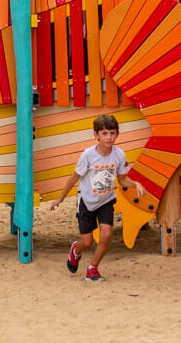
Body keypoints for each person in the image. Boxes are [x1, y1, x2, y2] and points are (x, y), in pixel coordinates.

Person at [54, 114, 130, 282]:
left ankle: (92, 269)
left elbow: (123, 179)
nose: (109, 137)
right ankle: (75, 251)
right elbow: (74, 178)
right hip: (87, 201)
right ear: (96, 135)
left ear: (117, 134)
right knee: (87, 242)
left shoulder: (119, 154)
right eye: (104, 133)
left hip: (106, 200)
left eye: (112, 133)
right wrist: (60, 198)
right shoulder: (88, 155)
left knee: (106, 235)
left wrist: (137, 185)